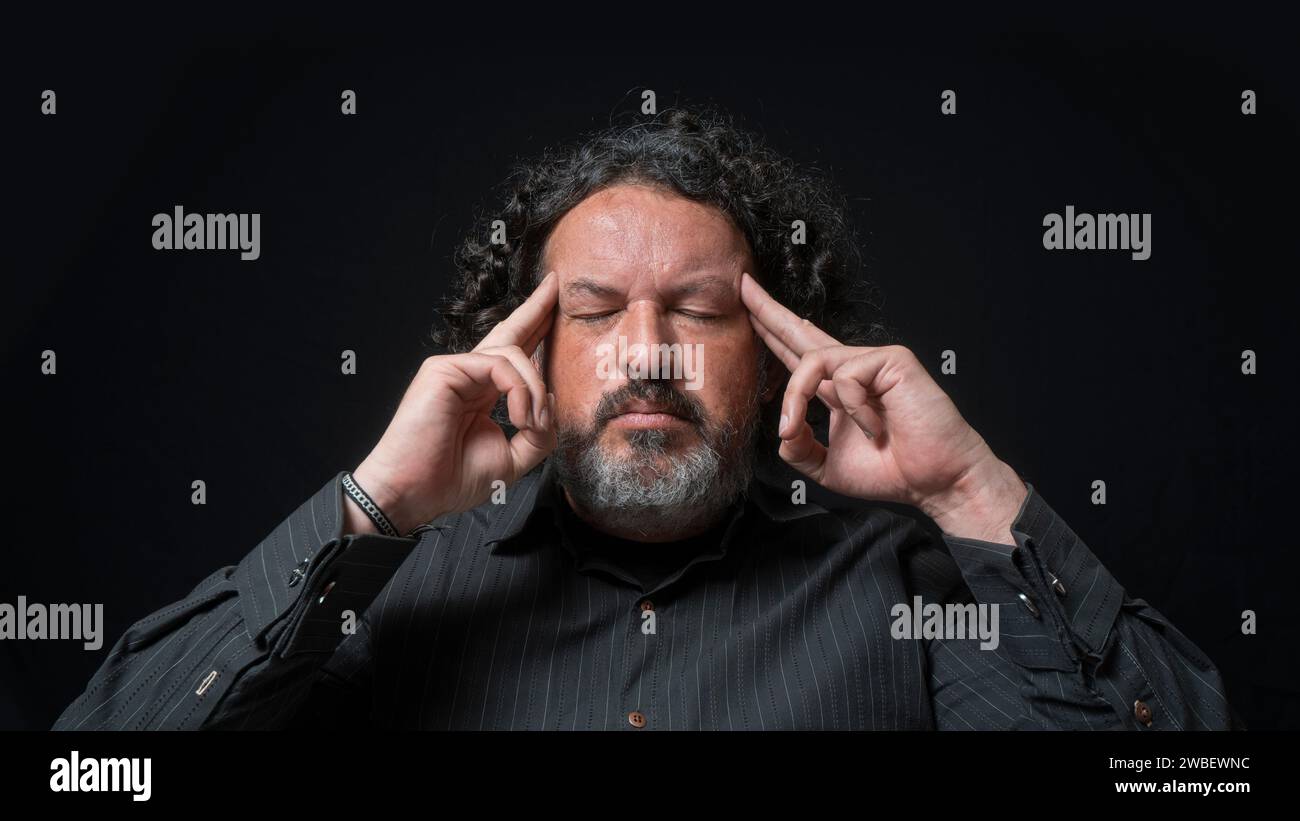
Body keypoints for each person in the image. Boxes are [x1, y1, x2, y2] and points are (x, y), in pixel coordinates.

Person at [54, 108, 1240, 730]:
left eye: (699, 311)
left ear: (777, 354)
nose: (650, 350)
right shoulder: (388, 588)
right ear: (527, 348)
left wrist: (969, 488)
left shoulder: (910, 587)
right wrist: (370, 509)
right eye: (595, 310)